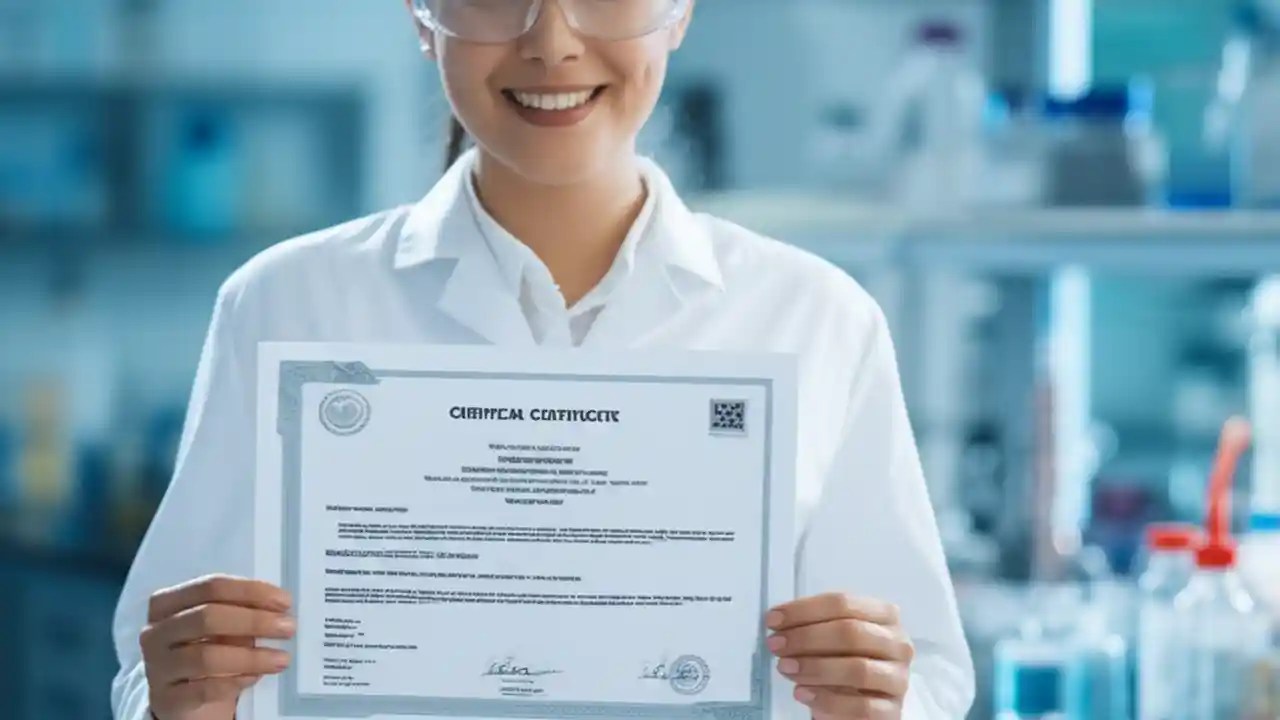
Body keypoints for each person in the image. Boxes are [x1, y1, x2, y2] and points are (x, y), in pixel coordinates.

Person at [110, 1, 974, 719]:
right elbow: (161, 681)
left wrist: (879, 698)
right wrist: (178, 700)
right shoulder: (285, 305)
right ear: (421, 14)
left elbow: (927, 676)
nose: (552, 38)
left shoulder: (816, 319)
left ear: (678, 13)